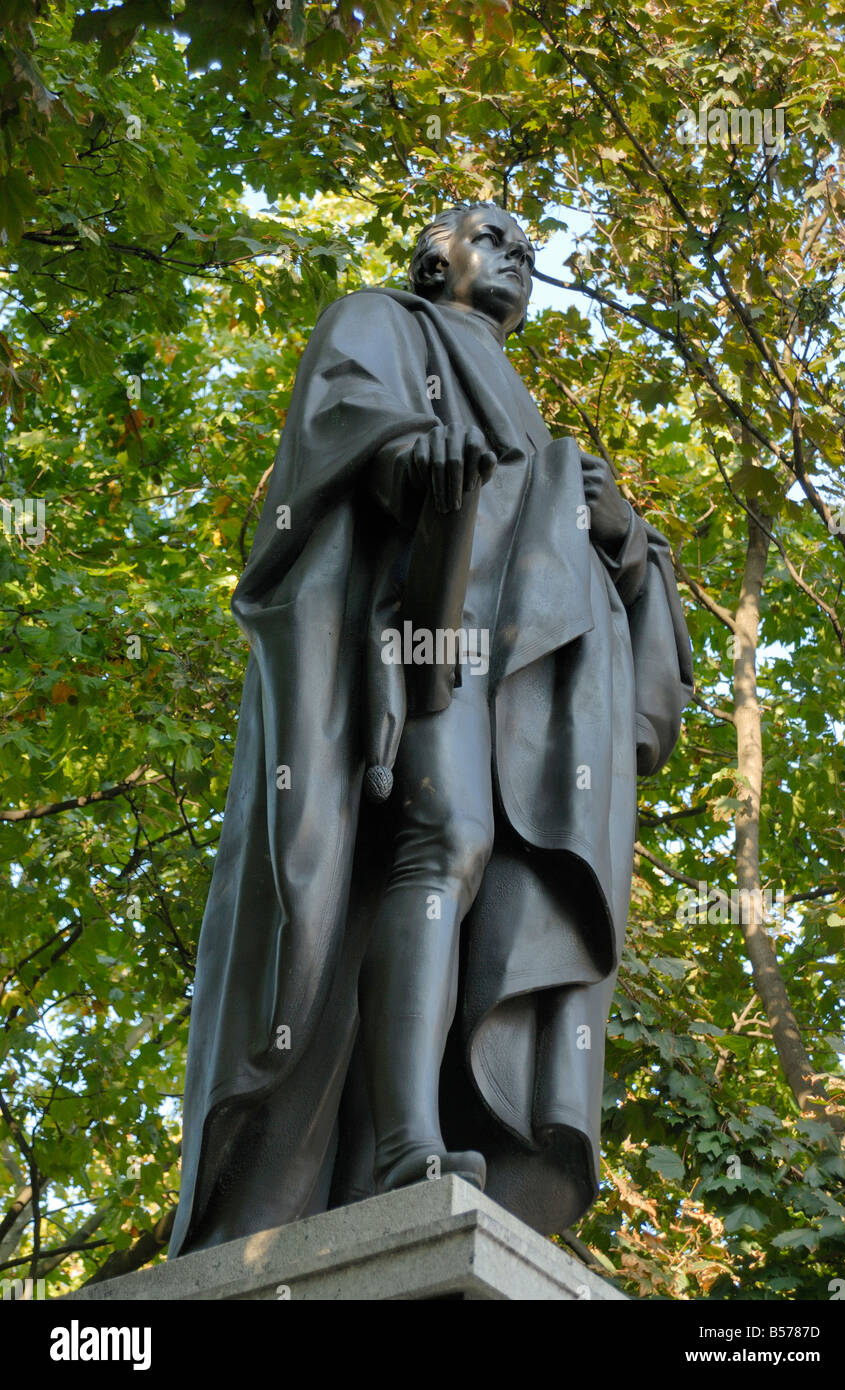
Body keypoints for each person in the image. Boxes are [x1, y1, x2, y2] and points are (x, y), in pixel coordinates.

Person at [168, 202, 693, 1258]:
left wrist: (624, 536)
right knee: (443, 841)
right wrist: (415, 462)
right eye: (491, 235)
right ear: (433, 255)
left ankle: (427, 1134)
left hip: (519, 695)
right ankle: (408, 1144)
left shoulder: (535, 412)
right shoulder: (382, 320)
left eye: (529, 250)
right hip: (419, 641)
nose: (518, 255)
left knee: (483, 878)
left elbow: (597, 579)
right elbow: (344, 425)